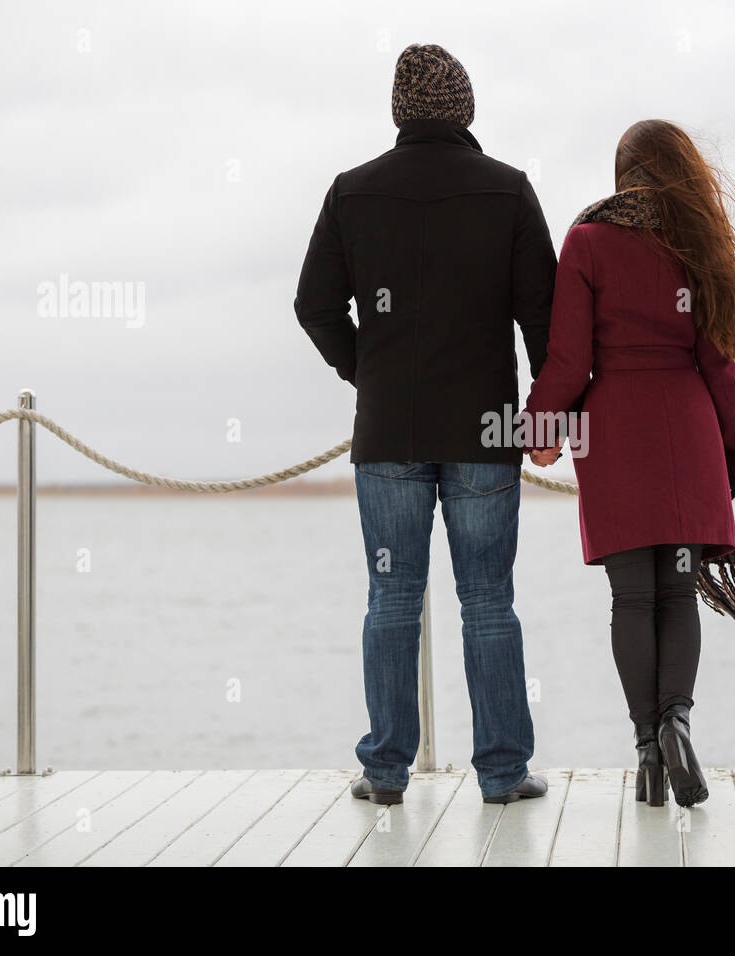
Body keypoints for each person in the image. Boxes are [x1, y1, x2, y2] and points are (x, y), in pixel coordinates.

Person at [295, 44, 556, 805]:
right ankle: (503, 773)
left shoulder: (352, 193)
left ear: (398, 112)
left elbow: (314, 306)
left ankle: (384, 771)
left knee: (391, 600)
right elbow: (542, 318)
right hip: (485, 431)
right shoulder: (507, 191)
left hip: (389, 434)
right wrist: (550, 407)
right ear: (465, 109)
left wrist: (363, 369)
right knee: (488, 600)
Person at [523, 120, 735, 808]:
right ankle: (678, 724)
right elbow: (720, 362)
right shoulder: (697, 246)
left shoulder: (588, 240)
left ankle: (647, 752)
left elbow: (568, 360)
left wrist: (541, 427)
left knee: (632, 599)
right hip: (686, 429)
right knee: (678, 593)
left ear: (622, 176)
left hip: (614, 434)